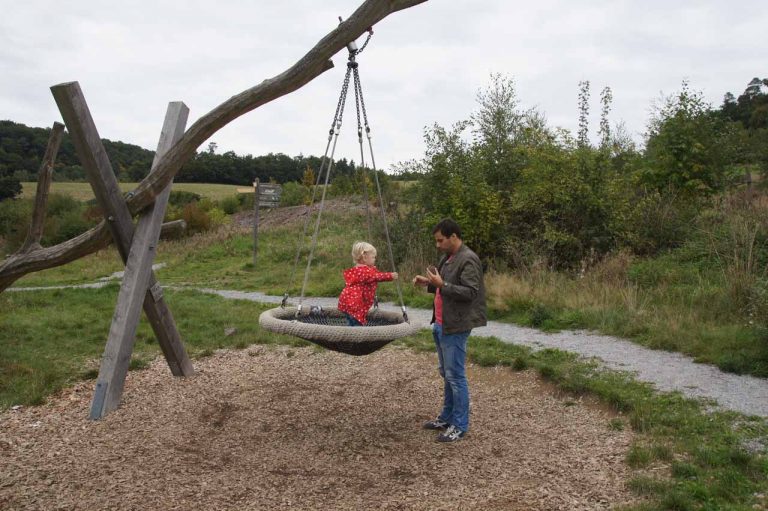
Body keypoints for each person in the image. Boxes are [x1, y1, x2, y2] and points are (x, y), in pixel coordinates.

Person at [412, 219, 486, 443]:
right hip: (442, 323)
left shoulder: (469, 259)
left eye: (440, 240)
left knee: (456, 376)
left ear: (453, 236)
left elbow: (471, 292)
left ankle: (459, 425)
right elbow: (445, 284)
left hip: (456, 325)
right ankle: (446, 417)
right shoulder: (448, 257)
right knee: (447, 374)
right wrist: (429, 282)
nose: (438, 245)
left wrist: (441, 284)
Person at [338, 241, 398, 326]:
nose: (375, 259)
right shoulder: (364, 271)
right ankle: (354, 337)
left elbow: (373, 275)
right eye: (373, 257)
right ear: (365, 257)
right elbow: (376, 276)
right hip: (355, 304)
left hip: (348, 302)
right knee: (357, 325)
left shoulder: (358, 270)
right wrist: (390, 276)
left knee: (352, 323)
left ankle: (349, 335)